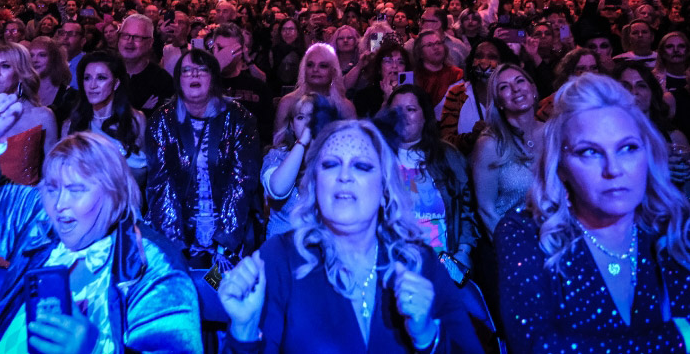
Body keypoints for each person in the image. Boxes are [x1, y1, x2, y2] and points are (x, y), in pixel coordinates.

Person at [495, 73, 690, 354]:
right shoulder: (526, 231)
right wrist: (685, 338)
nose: (613, 169)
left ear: (648, 153)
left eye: (628, 148)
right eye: (590, 152)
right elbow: (536, 346)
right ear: (561, 167)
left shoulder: (681, 223)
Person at [218, 120, 483, 353]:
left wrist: (428, 337)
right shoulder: (279, 258)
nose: (344, 176)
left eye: (362, 166)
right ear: (314, 184)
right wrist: (244, 333)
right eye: (331, 165)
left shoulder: (419, 261)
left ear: (384, 189)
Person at [0, 111, 201, 353]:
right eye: (52, 188)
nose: (59, 205)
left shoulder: (153, 266)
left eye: (76, 190)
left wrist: (93, 349)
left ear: (114, 193)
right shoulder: (41, 219)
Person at [146, 49, 261, 266]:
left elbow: (243, 181)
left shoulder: (239, 118)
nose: (194, 75)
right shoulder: (162, 119)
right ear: (178, 80)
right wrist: (173, 244)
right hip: (177, 232)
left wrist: (225, 241)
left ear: (214, 78)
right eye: (187, 71)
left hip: (231, 233)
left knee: (223, 292)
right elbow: (161, 184)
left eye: (202, 70)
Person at [378, 85, 479, 287]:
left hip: (445, 265)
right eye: (396, 110)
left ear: (425, 116)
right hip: (392, 268)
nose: (403, 116)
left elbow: (467, 209)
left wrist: (463, 252)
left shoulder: (448, 156)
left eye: (411, 109)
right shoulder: (377, 159)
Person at [471, 64, 545, 239]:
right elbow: (486, 209)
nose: (515, 89)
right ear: (498, 102)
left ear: (533, 89)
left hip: (557, 240)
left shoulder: (552, 133)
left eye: (520, 81)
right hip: (514, 243)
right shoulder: (490, 144)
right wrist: (511, 246)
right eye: (504, 87)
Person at [612, 62, 690, 206]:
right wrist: (657, 172)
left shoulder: (673, 137)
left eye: (641, 85)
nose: (634, 92)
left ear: (652, 93)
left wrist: (686, 180)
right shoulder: (606, 139)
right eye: (625, 86)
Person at [0, 42, 57, 184]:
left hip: (24, 203)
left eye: (5, 66)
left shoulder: (42, 117)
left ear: (21, 74)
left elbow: (53, 174)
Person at [64, 51, 147, 188]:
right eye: (87, 78)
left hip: (128, 206)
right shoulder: (71, 125)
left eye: (101, 78)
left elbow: (148, 176)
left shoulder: (136, 121)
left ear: (116, 83)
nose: (92, 85)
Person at [260, 93, 338, 238]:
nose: (308, 123)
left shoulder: (338, 159)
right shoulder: (277, 156)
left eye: (314, 117)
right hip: (283, 249)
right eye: (301, 117)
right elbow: (277, 190)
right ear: (292, 125)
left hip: (323, 248)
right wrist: (302, 142)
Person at [274, 43, 356, 137]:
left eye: (323, 66)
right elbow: (278, 143)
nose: (315, 69)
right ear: (304, 69)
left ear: (333, 71)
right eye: (310, 65)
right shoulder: (287, 102)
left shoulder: (345, 107)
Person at [118, 14, 174, 118]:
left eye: (137, 37)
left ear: (150, 43)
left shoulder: (162, 81)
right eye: (125, 35)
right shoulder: (107, 73)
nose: (129, 41)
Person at [411, 30, 464, 109]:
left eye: (438, 43)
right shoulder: (413, 78)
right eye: (429, 45)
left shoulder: (456, 74)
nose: (436, 47)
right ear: (420, 53)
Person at [29, 35, 76, 125]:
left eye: (42, 55)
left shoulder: (70, 96)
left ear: (54, 59)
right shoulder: (22, 92)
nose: (35, 60)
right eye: (31, 55)